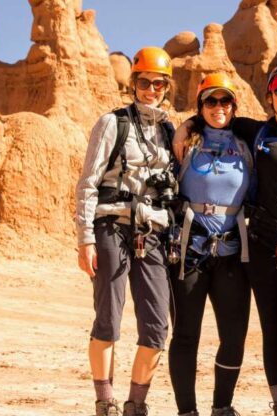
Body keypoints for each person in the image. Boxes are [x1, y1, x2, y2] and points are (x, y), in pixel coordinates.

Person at [174, 63, 277, 416]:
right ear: (269, 96)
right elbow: (208, 118)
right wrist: (187, 123)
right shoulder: (254, 131)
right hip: (261, 247)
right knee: (272, 331)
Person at [75, 46, 177, 416]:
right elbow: (88, 182)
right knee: (108, 319)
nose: (152, 89)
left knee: (156, 327)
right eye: (145, 82)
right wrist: (85, 237)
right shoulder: (111, 123)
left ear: (167, 87)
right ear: (133, 83)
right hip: (112, 228)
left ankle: (136, 404)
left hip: (151, 234)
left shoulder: (168, 130)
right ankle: (105, 401)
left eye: (159, 83)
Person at [168, 73, 252, 416]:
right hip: (191, 250)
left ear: (234, 106)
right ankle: (187, 411)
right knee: (186, 335)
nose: (218, 107)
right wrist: (186, 124)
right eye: (210, 101)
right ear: (200, 106)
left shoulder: (246, 142)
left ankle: (222, 407)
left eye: (225, 101)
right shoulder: (186, 143)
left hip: (232, 252)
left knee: (233, 337)